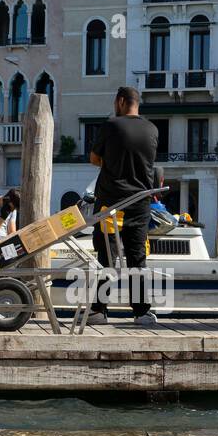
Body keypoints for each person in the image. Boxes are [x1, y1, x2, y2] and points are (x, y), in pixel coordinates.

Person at [88, 85, 160, 326]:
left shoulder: (111, 126)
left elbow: (94, 158)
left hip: (111, 204)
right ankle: (141, 313)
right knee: (138, 258)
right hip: (140, 203)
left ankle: (99, 311)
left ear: (120, 101)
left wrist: (112, 164)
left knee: (106, 257)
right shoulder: (152, 129)